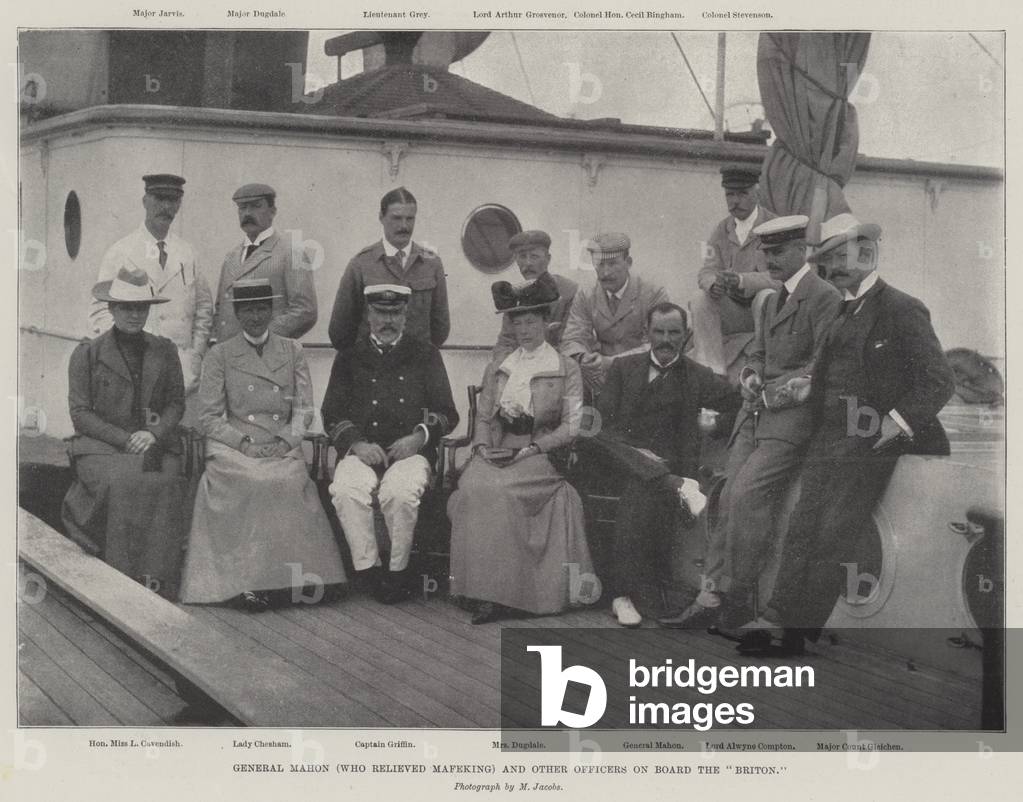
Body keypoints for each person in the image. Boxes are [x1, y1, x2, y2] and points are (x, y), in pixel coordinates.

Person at [738, 214, 955, 655]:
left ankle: (793, 635)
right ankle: (777, 618)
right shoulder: (841, 307)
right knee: (802, 527)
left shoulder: (900, 307)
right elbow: (827, 373)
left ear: (868, 254)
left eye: (840, 257)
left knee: (834, 532)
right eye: (827, 259)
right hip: (828, 437)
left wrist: (894, 424)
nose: (831, 268)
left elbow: (938, 380)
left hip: (870, 444)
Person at [658, 216, 842, 629]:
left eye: (777, 252)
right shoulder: (772, 300)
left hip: (790, 422)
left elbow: (821, 364)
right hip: (753, 416)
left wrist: (780, 389)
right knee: (723, 495)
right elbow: (758, 352)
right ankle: (711, 596)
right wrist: (750, 374)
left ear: (801, 250)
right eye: (766, 251)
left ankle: (737, 596)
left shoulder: (823, 297)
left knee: (745, 495)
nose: (769, 259)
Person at [180, 279, 345, 611]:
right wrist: (242, 443)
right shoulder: (219, 354)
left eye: (261, 308)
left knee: (287, 481)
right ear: (238, 314)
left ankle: (295, 582)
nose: (255, 316)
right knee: (252, 483)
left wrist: (285, 440)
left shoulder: (292, 350)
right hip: (235, 444)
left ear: (271, 311)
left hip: (279, 442)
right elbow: (210, 416)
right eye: (247, 310)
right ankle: (249, 584)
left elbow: (303, 409)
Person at [574, 302, 740, 627]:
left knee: (642, 485)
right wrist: (637, 456)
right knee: (591, 432)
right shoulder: (624, 369)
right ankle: (664, 480)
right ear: (646, 333)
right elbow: (601, 426)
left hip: (668, 466)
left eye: (674, 332)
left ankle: (622, 595)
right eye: (659, 331)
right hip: (621, 460)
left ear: (687, 336)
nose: (665, 339)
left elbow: (737, 405)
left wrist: (714, 424)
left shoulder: (699, 377)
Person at [449, 273, 596, 624]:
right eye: (517, 322)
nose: (525, 330)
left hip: (542, 453)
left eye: (532, 321)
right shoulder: (500, 367)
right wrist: (483, 447)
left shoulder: (565, 368)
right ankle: (476, 589)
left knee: (501, 489)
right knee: (473, 486)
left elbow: (573, 425)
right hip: (499, 449)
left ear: (547, 322)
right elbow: (484, 418)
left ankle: (504, 596)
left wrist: (534, 447)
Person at [323, 284, 458, 604]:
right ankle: (369, 570)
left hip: (409, 451)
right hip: (363, 448)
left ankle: (398, 573)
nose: (388, 320)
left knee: (399, 493)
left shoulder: (425, 354)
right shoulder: (349, 357)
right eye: (381, 312)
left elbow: (448, 413)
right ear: (369, 314)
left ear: (405, 315)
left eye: (395, 312)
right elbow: (331, 413)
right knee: (345, 490)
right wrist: (355, 444)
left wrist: (418, 437)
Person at [64, 266, 189, 599]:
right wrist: (124, 439)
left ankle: (158, 582)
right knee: (122, 481)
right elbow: (80, 414)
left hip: (153, 443)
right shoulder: (88, 353)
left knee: (165, 481)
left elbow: (176, 403)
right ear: (111, 309)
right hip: (101, 445)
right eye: (126, 307)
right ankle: (117, 581)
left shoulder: (164, 350)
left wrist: (154, 433)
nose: (135, 314)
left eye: (141, 307)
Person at [89, 174, 213, 412]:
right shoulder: (121, 251)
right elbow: (99, 311)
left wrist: (194, 356)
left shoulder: (188, 253)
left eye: (173, 200)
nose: (166, 207)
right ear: (145, 200)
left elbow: (204, 311)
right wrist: (119, 360)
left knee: (174, 438)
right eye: (159, 199)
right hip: (132, 367)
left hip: (181, 369)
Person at [329, 187, 450, 350]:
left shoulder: (431, 263)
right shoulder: (361, 264)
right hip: (372, 368)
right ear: (381, 217)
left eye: (410, 218)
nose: (404, 226)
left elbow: (440, 328)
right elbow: (340, 330)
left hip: (417, 367)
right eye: (396, 218)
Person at [690, 166, 779, 382]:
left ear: (756, 194)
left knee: (766, 295)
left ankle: (763, 363)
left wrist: (742, 280)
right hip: (735, 314)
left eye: (742, 193)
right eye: (730, 194)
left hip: (765, 312)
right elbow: (707, 269)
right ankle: (713, 372)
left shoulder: (773, 227)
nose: (735, 201)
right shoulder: (722, 229)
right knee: (699, 298)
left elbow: (780, 277)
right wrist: (713, 283)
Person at [560, 232, 669, 395]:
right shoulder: (586, 294)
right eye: (599, 265)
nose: (605, 273)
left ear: (628, 262)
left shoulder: (653, 292)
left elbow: (660, 344)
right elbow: (573, 337)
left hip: (644, 371)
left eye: (612, 264)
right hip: (600, 376)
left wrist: (612, 363)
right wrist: (584, 359)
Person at [211, 183, 319, 344]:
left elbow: (305, 311)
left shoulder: (292, 252)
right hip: (228, 356)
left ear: (272, 211)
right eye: (242, 208)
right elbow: (221, 309)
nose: (247, 213)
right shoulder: (231, 257)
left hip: (267, 356)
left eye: (256, 206)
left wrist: (258, 338)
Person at [492, 230, 578, 362]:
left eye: (534, 256)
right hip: (521, 366)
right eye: (522, 257)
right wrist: (503, 366)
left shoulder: (569, 291)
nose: (528, 263)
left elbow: (571, 341)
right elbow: (506, 342)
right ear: (516, 261)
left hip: (558, 366)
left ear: (548, 259)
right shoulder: (513, 295)